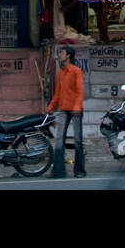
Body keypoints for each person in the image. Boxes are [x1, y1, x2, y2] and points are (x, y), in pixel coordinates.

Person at [48, 46, 86, 178]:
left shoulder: (76, 71)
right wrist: (50, 107)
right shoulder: (61, 72)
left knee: (78, 141)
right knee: (59, 139)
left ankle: (80, 170)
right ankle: (58, 170)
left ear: (68, 55)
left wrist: (77, 107)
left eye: (61, 53)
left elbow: (80, 91)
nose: (59, 55)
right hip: (64, 109)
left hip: (75, 110)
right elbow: (57, 93)